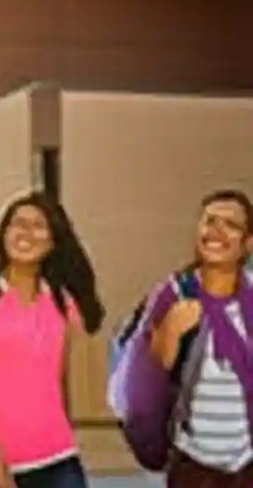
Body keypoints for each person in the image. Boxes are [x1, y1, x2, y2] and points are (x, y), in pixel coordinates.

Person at [0, 192, 105, 488]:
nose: (26, 233)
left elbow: (61, 379)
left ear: (53, 239)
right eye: (17, 224)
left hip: (56, 457)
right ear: (3, 233)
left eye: (38, 225)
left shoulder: (61, 299)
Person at [123, 189, 253, 486]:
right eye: (210, 221)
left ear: (247, 244)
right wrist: (169, 333)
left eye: (231, 224)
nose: (217, 231)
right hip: (194, 466)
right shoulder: (172, 295)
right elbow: (144, 388)